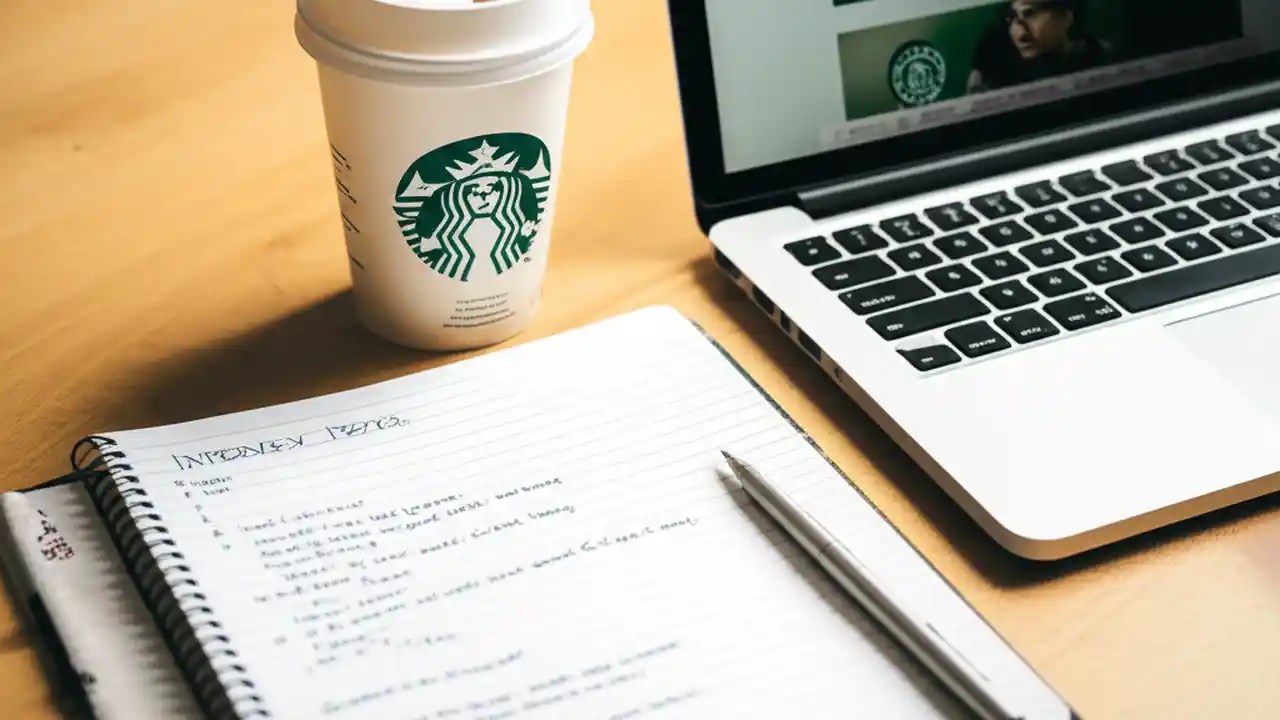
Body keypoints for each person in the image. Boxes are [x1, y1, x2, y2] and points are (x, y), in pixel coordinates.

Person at [967, 0, 1111, 93]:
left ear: (1067, 16)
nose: (1019, 29)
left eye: (1030, 13)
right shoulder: (993, 47)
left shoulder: (1099, 55)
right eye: (1011, 17)